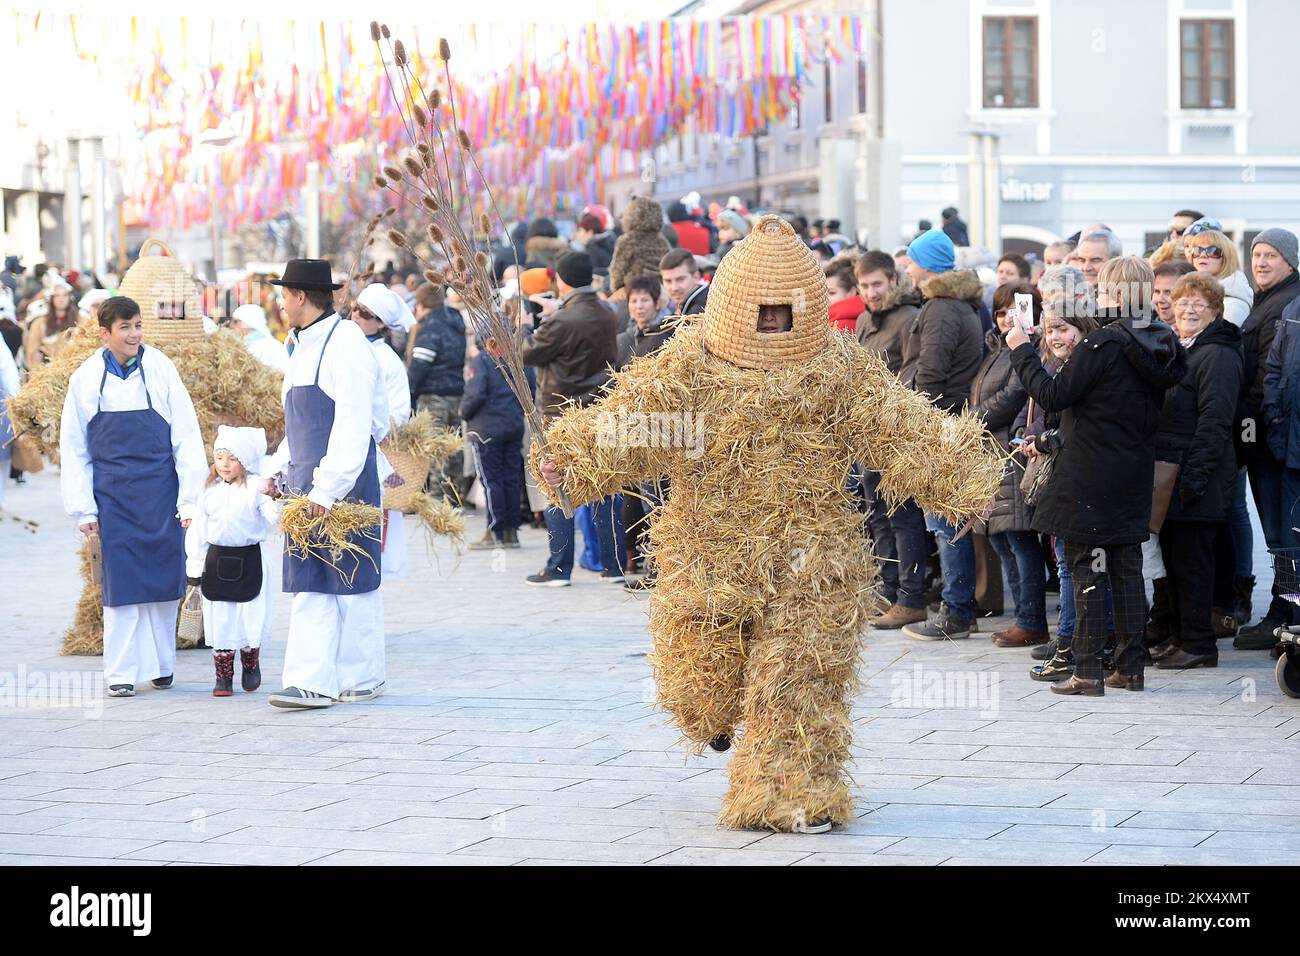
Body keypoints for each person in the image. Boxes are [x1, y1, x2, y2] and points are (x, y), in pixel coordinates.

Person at [532, 215, 1001, 832]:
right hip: (712, 548)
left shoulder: (837, 369)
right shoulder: (688, 369)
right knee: (700, 681)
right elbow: (630, 428)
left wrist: (961, 478)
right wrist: (571, 459)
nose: (772, 324)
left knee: (797, 677)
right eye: (762, 312)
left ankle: (790, 793)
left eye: (784, 312)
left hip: (814, 554)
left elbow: (902, 429)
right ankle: (716, 716)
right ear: (733, 308)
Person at [1008, 257, 1186, 694]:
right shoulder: (1163, 340)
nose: (1096, 297)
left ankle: (1086, 671)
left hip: (1087, 475)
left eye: (1103, 291)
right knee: (1125, 569)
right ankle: (1129, 667)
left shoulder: (1102, 343)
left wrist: (1020, 348)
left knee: (1086, 568)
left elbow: (1052, 393)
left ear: (1120, 296)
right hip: (1131, 471)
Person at [60, 296, 207, 698]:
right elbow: (73, 448)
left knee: (163, 581)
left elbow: (187, 434)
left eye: (138, 325)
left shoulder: (160, 368)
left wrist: (189, 498)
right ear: (104, 333)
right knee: (121, 586)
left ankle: (162, 666)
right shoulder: (85, 379)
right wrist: (83, 508)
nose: (134, 334)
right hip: (113, 497)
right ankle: (121, 672)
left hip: (161, 492)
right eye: (125, 327)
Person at [265, 260, 387, 709]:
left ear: (299, 297)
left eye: (283, 294)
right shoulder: (300, 346)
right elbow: (297, 423)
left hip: (343, 484)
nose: (280, 303)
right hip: (305, 485)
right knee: (310, 580)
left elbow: (355, 425)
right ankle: (310, 679)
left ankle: (363, 675)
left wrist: (327, 489)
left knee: (352, 580)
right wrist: (276, 469)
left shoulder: (347, 343)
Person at [1146, 273, 1243, 670]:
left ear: (1215, 311)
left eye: (1198, 304)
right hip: (1174, 475)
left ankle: (1200, 644)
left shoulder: (1218, 354)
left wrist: (1193, 479)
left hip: (1196, 477)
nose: (1187, 308)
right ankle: (1182, 637)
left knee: (1193, 563)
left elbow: (1215, 422)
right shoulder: (1183, 348)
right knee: (1177, 560)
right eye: (1182, 301)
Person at [894, 229, 986, 641]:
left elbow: (930, 370)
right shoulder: (958, 304)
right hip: (950, 420)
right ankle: (957, 604)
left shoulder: (941, 308)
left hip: (939, 424)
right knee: (946, 521)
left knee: (944, 523)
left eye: (911, 260)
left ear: (925, 264)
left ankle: (957, 611)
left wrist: (919, 422)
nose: (907, 267)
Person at [520, 251, 624, 586]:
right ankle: (613, 566)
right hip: (601, 409)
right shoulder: (608, 312)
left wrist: (529, 325)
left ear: (561, 281)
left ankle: (559, 567)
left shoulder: (562, 322)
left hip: (560, 413)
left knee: (555, 485)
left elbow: (528, 352)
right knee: (607, 486)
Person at [1238, 229, 1300, 646]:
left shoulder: (1287, 305)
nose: (1260, 262)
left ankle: (1287, 613)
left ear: (1291, 262)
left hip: (1278, 443)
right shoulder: (1272, 301)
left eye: (1271, 255)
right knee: (1279, 534)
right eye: (1256, 254)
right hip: (1271, 439)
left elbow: (1270, 379)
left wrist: (1271, 431)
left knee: (1284, 534)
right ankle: (1283, 611)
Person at [977, 282, 1047, 648]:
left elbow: (1013, 395)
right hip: (991, 453)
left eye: (1014, 311)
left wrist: (972, 418)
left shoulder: (1028, 348)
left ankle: (1031, 619)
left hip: (1011, 452)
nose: (1007, 318)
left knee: (1020, 540)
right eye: (1001, 312)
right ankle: (1024, 616)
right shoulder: (996, 348)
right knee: (1003, 540)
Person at [185, 426, 279, 696]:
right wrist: (194, 568)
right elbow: (198, 530)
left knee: (250, 613)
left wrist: (276, 498)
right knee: (221, 617)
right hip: (217, 560)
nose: (224, 464)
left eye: (232, 458)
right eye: (220, 457)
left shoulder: (255, 488)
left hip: (249, 558)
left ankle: (250, 660)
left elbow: (274, 518)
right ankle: (223, 675)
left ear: (245, 461)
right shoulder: (209, 491)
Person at [354, 282, 417, 578]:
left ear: (380, 323)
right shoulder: (345, 347)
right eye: (354, 308)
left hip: (372, 451)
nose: (355, 316)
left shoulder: (388, 361)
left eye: (364, 313)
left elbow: (398, 412)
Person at [462, 316, 531, 551]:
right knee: (510, 478)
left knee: (491, 481)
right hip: (513, 425)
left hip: (486, 428)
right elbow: (529, 387)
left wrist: (464, 412)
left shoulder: (482, 360)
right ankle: (511, 531)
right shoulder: (517, 360)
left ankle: (495, 529)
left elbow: (476, 394)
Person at [408, 281, 467, 501]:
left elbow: (421, 363)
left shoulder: (430, 326)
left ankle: (436, 495)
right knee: (453, 444)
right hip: (456, 392)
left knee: (436, 446)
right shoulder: (456, 320)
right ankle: (454, 495)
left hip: (433, 393)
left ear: (422, 303)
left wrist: (409, 388)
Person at [1181, 219, 1253, 326]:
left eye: (1212, 251)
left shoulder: (1233, 304)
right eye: (1197, 250)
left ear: (1226, 257)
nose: (1203, 255)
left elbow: (1224, 341)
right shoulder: (1194, 291)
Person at [609, 197, 671, 294]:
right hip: (659, 290)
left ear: (630, 216)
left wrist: (616, 290)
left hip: (634, 290)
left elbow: (618, 271)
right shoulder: (662, 240)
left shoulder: (627, 240)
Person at [618, 274, 675, 364]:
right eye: (633, 301)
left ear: (657, 303)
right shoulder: (623, 339)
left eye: (645, 300)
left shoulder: (669, 334)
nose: (639, 306)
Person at [24, 282, 83, 368]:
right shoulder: (40, 323)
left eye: (65, 295)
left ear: (69, 298)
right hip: (47, 367)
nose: (61, 299)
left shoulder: (79, 320)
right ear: (52, 298)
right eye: (57, 296)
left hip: (71, 366)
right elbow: (32, 349)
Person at [229, 303, 290, 374]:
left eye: (236, 321)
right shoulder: (236, 347)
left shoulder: (273, 348)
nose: (231, 325)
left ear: (248, 323)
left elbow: (283, 376)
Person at [659, 248, 708, 316]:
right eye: (668, 281)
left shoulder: (704, 307)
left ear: (696, 277)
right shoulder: (689, 302)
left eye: (680, 279)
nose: (674, 288)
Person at [824, 259, 863, 333]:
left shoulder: (841, 327)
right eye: (823, 293)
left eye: (831, 293)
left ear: (851, 292)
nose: (825, 298)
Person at [1151, 260, 1196, 324]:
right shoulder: (1141, 328)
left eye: (1168, 292)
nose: (1160, 299)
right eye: (1156, 291)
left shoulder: (1210, 332)